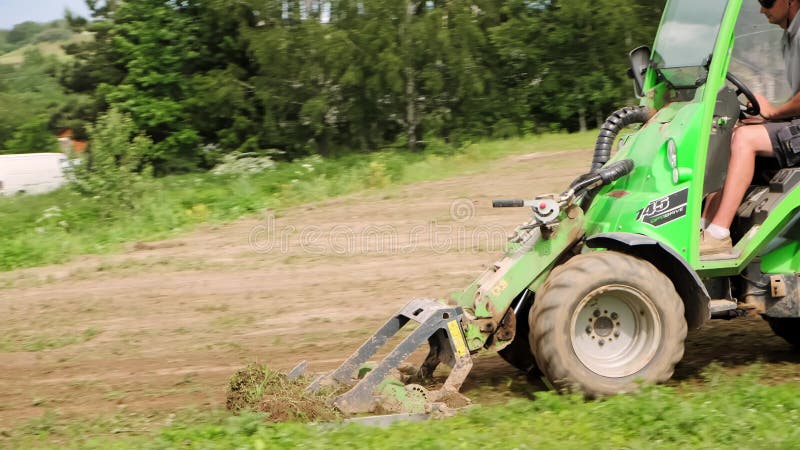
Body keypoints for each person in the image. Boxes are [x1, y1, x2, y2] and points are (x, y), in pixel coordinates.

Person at [700, 0, 800, 258]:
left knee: (745, 139)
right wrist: (767, 118)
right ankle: (703, 226)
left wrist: (774, 113)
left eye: (767, 1)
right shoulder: (790, 37)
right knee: (732, 131)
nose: (762, 9)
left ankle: (718, 234)